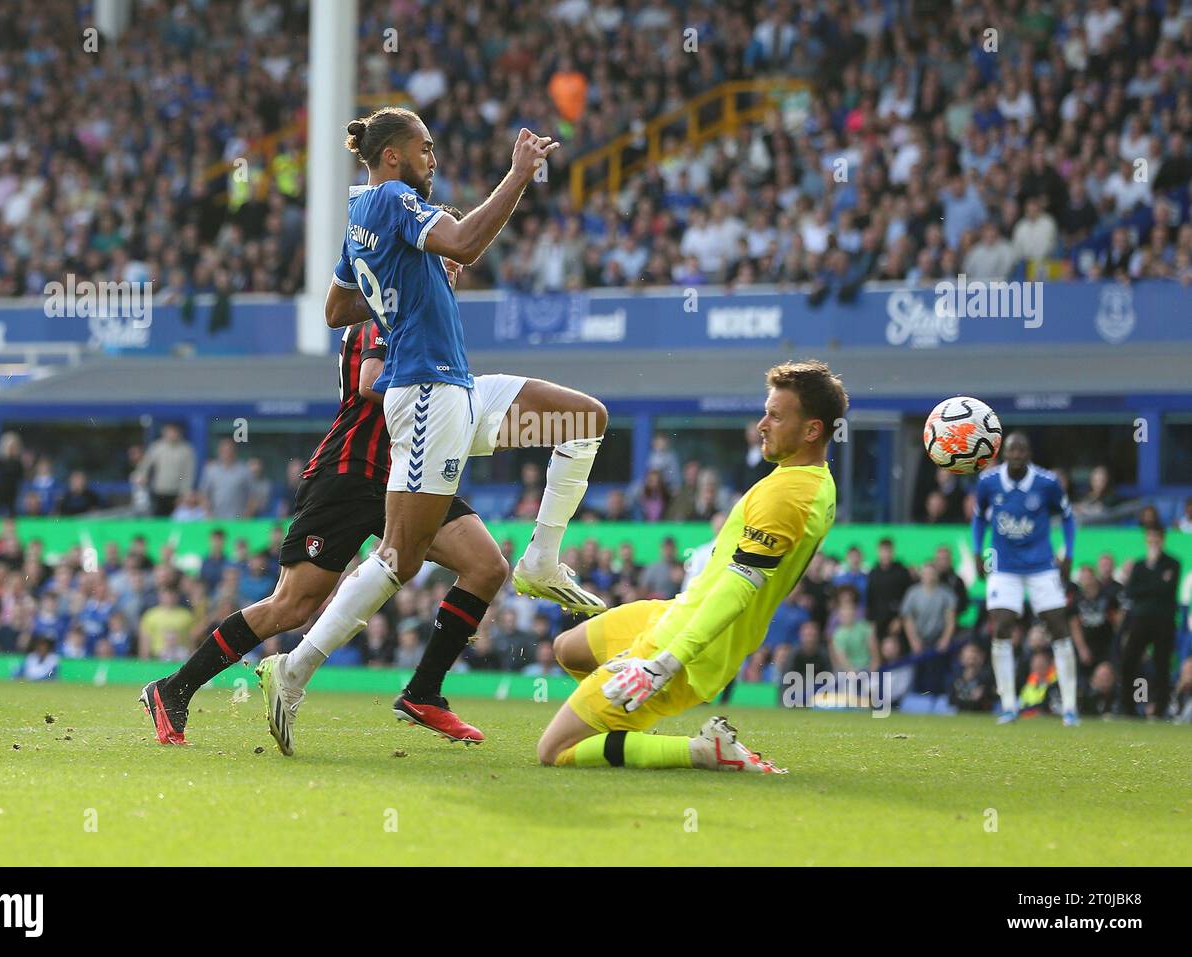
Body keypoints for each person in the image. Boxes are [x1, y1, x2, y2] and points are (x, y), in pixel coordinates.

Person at [268, 109, 612, 724]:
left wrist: (411, 277)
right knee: (399, 558)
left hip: (456, 388)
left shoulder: (362, 217)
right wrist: (518, 173)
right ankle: (296, 668)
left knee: (584, 420)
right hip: (425, 394)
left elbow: (337, 307)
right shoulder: (393, 197)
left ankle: (541, 560)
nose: (434, 157)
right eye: (425, 147)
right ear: (393, 156)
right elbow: (467, 242)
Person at [142, 244, 508, 750]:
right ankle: (173, 689)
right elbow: (371, 381)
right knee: (291, 607)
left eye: (458, 263)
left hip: (408, 474)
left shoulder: (431, 321)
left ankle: (424, 692)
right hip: (349, 475)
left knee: (487, 566)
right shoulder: (388, 310)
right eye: (444, 258)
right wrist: (453, 392)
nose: (454, 269)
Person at [536, 360, 846, 773]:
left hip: (690, 648)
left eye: (775, 415)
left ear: (812, 430)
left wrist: (662, 664)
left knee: (553, 751)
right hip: (676, 611)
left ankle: (702, 750)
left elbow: (738, 590)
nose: (761, 425)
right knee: (569, 648)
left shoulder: (788, 496)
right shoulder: (811, 480)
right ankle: (624, 733)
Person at [973, 432, 1081, 725]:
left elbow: (1069, 517)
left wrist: (1068, 554)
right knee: (1002, 626)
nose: (1018, 454)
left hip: (1041, 565)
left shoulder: (1047, 483)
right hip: (1004, 566)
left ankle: (1069, 706)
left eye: (1023, 449)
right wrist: (975, 551)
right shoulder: (988, 482)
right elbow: (978, 518)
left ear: (1029, 453)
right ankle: (1008, 704)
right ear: (1004, 453)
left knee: (1058, 626)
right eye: (1012, 449)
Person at [1118, 523, 1181, 719]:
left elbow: (1167, 590)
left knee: (1161, 665)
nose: (1153, 542)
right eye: (1150, 539)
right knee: (1130, 662)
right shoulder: (1139, 565)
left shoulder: (1173, 563)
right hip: (1141, 620)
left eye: (1156, 538)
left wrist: (1148, 582)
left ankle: (1160, 709)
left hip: (1163, 622)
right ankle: (1129, 707)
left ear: (1162, 540)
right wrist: (1156, 581)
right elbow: (1131, 592)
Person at [899, 562, 957, 694]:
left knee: (938, 673)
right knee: (917, 673)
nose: (929, 576)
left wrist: (945, 640)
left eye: (932, 573)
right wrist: (914, 641)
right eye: (926, 573)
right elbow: (907, 619)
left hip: (938, 640)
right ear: (921, 575)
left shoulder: (946, 594)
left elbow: (950, 620)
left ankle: (938, 699)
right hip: (918, 640)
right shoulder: (912, 593)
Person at [133, 423, 196, 517]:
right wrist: (142, 475)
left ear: (178, 433)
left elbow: (189, 473)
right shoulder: (157, 447)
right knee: (158, 520)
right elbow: (146, 464)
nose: (172, 435)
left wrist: (185, 492)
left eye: (174, 432)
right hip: (159, 491)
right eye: (169, 432)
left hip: (177, 493)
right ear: (164, 433)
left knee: (176, 521)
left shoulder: (186, 450)